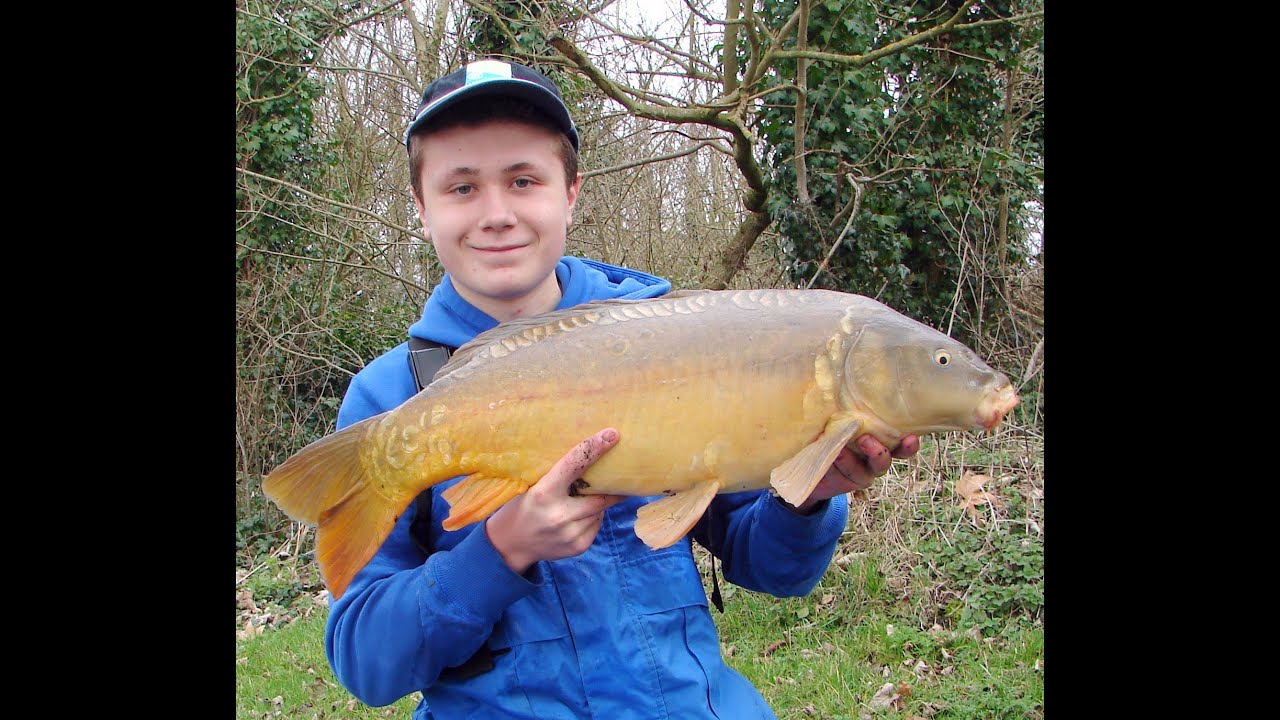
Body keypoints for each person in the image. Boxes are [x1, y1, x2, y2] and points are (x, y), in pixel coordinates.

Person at [324, 58, 920, 720]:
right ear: (420, 206)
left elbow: (775, 570)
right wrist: (502, 549)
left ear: (571, 191)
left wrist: (808, 500)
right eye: (461, 188)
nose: (496, 214)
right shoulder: (391, 401)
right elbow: (365, 665)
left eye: (524, 180)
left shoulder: (680, 336)